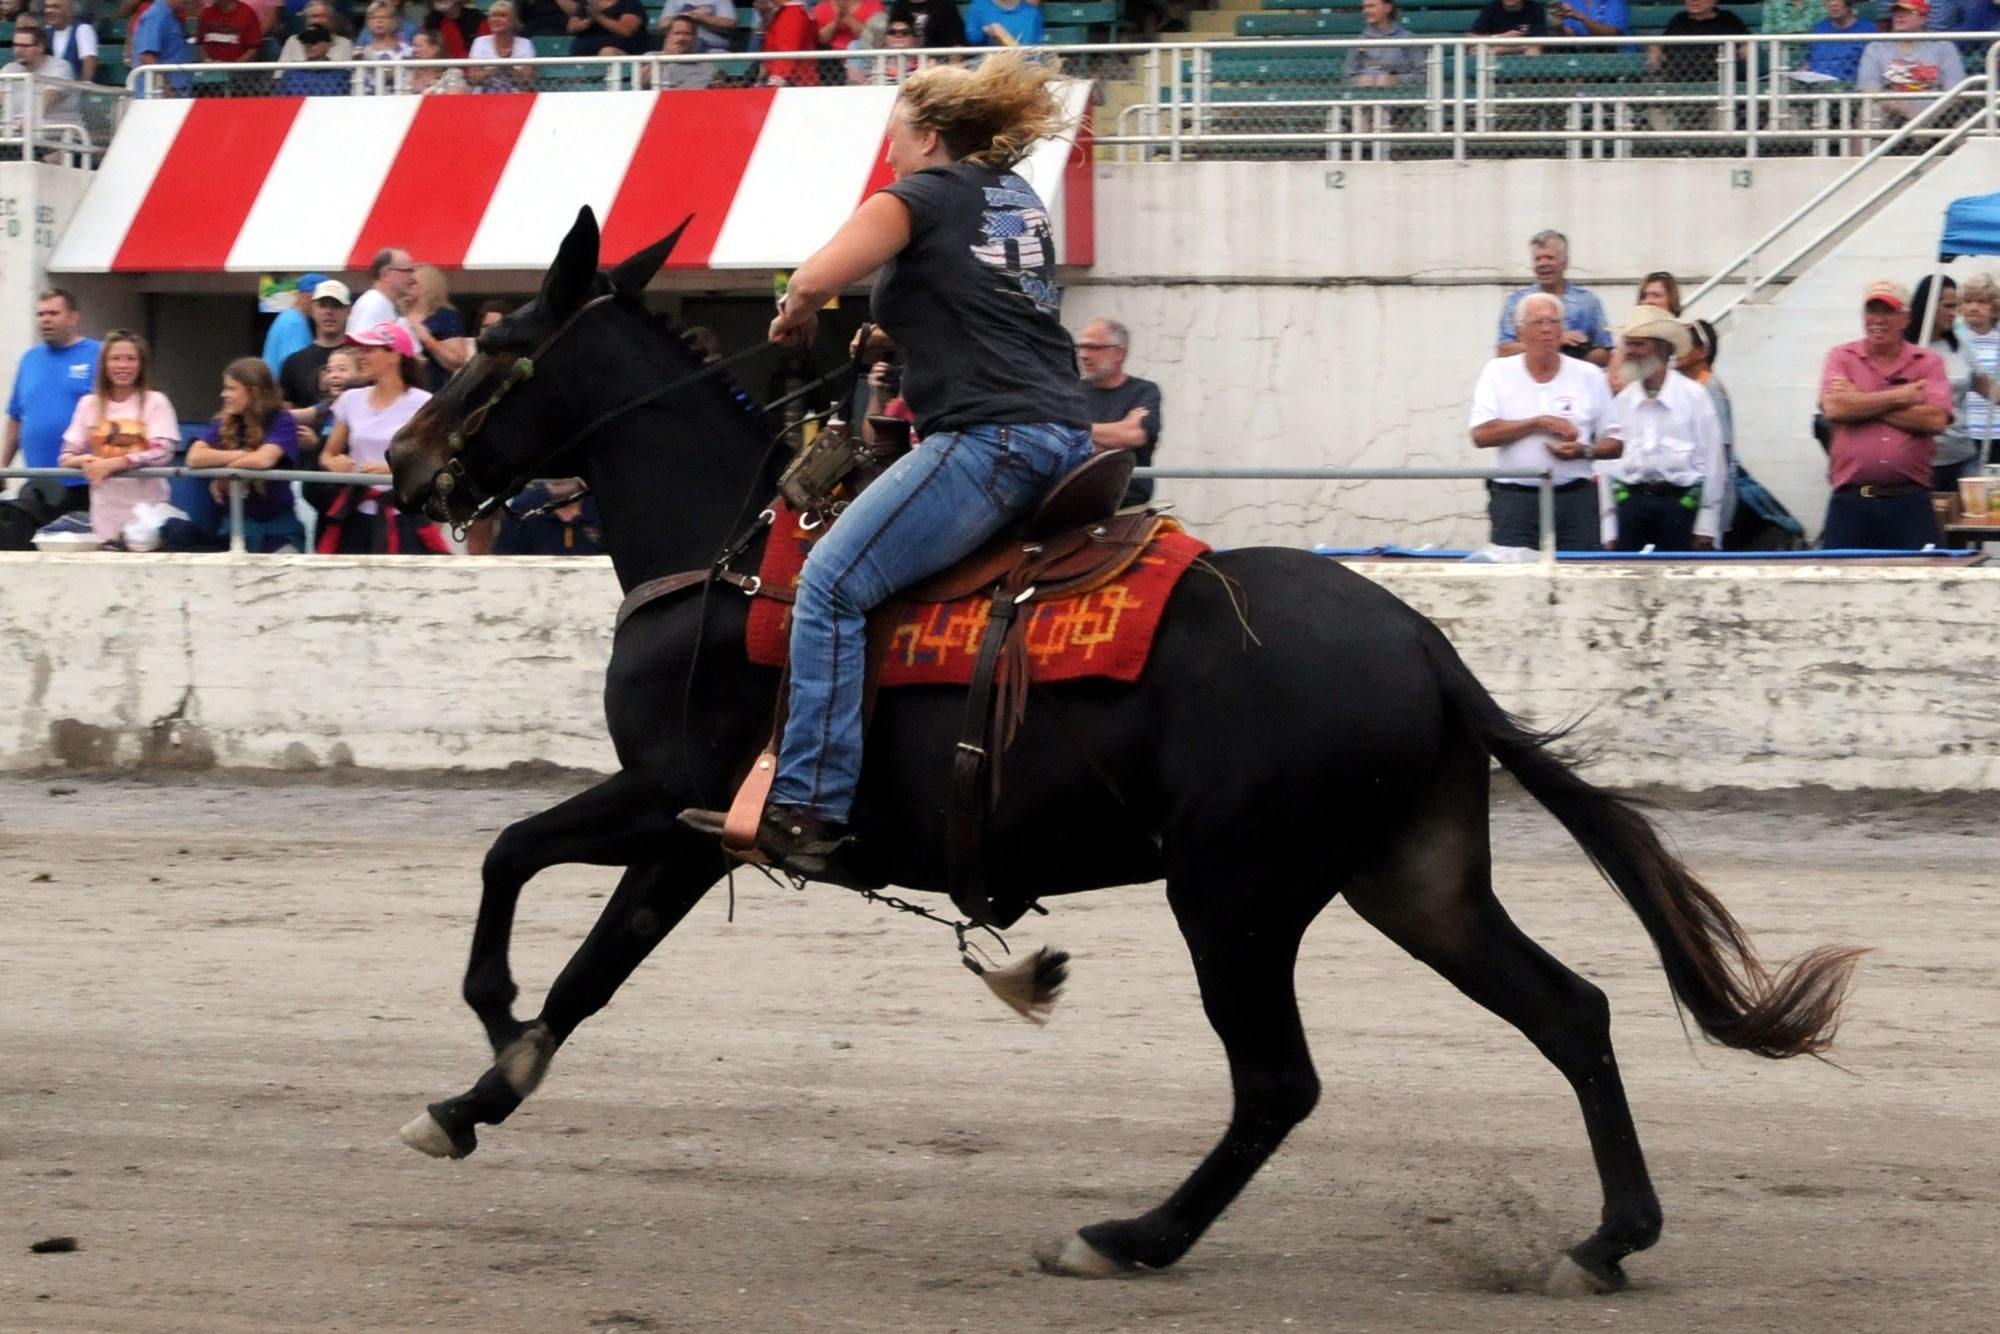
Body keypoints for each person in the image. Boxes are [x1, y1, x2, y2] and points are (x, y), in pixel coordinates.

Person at [678, 52, 1092, 879]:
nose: (889, 152)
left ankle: (809, 806)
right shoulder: (1013, 198)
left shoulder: (918, 195)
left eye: (896, 137)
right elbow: (986, 304)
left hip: (989, 440)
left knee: (832, 583)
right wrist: (894, 332)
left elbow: (816, 277)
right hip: (1062, 435)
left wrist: (795, 309)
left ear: (930, 137)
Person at [1470, 290, 1623, 551]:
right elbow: (1481, 435)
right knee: (1514, 572)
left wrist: (1584, 450)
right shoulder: (1498, 372)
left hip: (1574, 497)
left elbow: (1616, 442)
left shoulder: (1589, 375)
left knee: (1580, 572)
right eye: (1538, 322)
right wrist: (1538, 423)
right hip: (1515, 498)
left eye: (1554, 322)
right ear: (1520, 332)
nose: (1547, 330)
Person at [1817, 278, 1952, 548]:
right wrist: (1899, 397)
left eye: (1888, 311)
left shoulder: (1928, 362)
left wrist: (1860, 399)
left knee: (1920, 573)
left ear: (1905, 319)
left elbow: (1936, 420)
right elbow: (1834, 408)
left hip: (1910, 501)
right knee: (1838, 574)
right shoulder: (1841, 357)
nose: (1878, 319)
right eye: (1872, 311)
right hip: (1851, 502)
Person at [1601, 308, 1727, 551]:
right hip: (1631, 504)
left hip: (1680, 505)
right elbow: (1607, 467)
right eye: (1628, 344)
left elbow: (1713, 463)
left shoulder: (1694, 397)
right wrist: (1609, 527)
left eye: (1639, 344)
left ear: (1662, 349)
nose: (1629, 351)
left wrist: (1706, 525)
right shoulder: (1622, 401)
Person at [318, 323, 447, 554]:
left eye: (370, 350)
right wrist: (334, 463)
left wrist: (393, 470)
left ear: (394, 356)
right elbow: (328, 454)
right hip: (356, 513)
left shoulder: (424, 403)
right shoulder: (350, 399)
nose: (362, 356)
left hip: (404, 517)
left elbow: (438, 461)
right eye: (362, 350)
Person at [57, 332, 179, 547]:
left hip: (148, 515)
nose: (123, 365)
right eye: (115, 358)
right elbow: (66, 456)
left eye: (131, 359)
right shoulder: (88, 404)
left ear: (141, 365)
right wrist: (85, 460)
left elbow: (162, 452)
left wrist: (117, 463)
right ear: (104, 364)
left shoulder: (156, 402)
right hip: (104, 516)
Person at [1, 289, 100, 546]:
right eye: (41, 314)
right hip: (39, 486)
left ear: (73, 317)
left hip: (85, 482)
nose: (45, 319)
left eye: (54, 313)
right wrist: (3, 466)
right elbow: (16, 417)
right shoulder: (29, 359)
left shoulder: (97, 355)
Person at [186, 358, 308, 554]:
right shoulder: (224, 422)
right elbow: (194, 457)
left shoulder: (282, 420)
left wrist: (225, 475)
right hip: (235, 529)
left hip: (277, 531)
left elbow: (263, 459)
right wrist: (242, 455)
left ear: (254, 392)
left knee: (286, 565)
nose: (223, 394)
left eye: (231, 388)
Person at [1909, 274, 2000, 493]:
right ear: (1928, 306)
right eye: (1948, 306)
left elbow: (1989, 389)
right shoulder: (1908, 348)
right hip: (1921, 460)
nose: (1954, 313)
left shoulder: (1960, 346)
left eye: (1955, 306)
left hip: (1962, 457)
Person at [1076, 318, 1162, 508]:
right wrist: (1116, 434)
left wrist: (1076, 430)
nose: (1083, 355)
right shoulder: (1070, 391)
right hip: (1075, 506)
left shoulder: (1144, 391)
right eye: (1081, 347)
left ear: (1119, 353)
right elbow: (1060, 441)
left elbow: (1133, 436)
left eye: (1093, 348)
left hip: (1128, 508)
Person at [1496, 229, 1613, 367]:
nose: (1543, 264)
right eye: (1538, 259)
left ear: (1565, 263)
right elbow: (1503, 351)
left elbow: (1606, 354)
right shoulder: (1516, 302)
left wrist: (1577, 352)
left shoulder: (1587, 302)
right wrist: (1555, 341)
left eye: (1550, 258)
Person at [1857, 0, 1966, 126]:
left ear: (1923, 18)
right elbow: (1869, 90)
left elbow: (1955, 90)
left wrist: (1928, 117)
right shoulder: (1876, 47)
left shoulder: (1944, 47)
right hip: (1892, 113)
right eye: (1896, 12)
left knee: (1963, 121)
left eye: (1907, 12)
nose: (1899, 16)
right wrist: (1908, 110)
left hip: (1937, 114)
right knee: (1870, 112)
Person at [280, 279, 353, 431]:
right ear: (313, 309)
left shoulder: (361, 359)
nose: (329, 312)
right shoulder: (293, 362)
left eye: (336, 305)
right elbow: (284, 417)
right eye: (323, 305)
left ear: (348, 311)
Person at [1649, 0, 1750, 86]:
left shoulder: (1728, 19)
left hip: (1720, 81)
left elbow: (1747, 40)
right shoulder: (1679, 19)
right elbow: (1662, 42)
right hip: (1679, 79)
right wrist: (1655, 47)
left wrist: (1746, 45)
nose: (1694, 1)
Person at [1605, 269, 1682, 381]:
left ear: (1671, 300)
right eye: (1644, 296)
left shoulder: (1683, 336)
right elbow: (1615, 379)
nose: (1649, 301)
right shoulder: (1632, 334)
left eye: (1656, 295)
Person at [404, 264, 469, 389]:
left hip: (432, 388)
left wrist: (428, 340)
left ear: (428, 286)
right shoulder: (395, 312)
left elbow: (457, 360)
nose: (406, 287)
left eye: (412, 283)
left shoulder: (444, 316)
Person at [1959, 271, 2000, 469]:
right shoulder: (1955, 341)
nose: (1974, 307)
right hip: (1965, 432)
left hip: (1997, 431)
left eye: (1982, 302)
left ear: (1994, 308)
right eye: (1968, 301)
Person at [263, 272, 328, 374]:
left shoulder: (291, 318)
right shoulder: (294, 323)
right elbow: (296, 367)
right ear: (309, 297)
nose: (326, 308)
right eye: (323, 302)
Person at [1347, 0, 1423, 86]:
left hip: (1400, 91)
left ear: (1387, 8)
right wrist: (1362, 80)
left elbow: (1421, 75)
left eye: (1371, 6)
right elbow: (1348, 75)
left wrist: (1395, 80)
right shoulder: (1359, 41)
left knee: (1383, 80)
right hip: (1364, 89)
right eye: (1364, 7)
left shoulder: (1407, 38)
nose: (1366, 11)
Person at [468, 0, 539, 91]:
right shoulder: (479, 42)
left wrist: (508, 67)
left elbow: (528, 81)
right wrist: (498, 65)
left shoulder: (525, 44)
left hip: (517, 94)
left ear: (513, 21)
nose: (496, 19)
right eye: (493, 16)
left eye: (502, 16)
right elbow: (473, 78)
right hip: (485, 94)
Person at [349, 248, 417, 337]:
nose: (412, 278)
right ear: (384, 274)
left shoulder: (385, 304)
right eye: (407, 271)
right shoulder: (372, 304)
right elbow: (362, 342)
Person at [757, 0, 819, 85]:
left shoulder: (792, 13)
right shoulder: (791, 12)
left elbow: (787, 52)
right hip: (796, 79)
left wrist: (775, 82)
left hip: (794, 82)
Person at [43, 0, 101, 85]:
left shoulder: (83, 29)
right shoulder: (45, 32)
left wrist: (82, 86)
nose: (49, 11)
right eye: (47, 7)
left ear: (69, 11)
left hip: (73, 87)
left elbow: (89, 62)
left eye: (56, 7)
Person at [1805, 0, 1864, 82]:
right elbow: (1810, 61)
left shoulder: (1868, 29)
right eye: (1829, 0)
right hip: (1817, 85)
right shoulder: (1818, 28)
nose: (1833, 4)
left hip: (1850, 85)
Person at [563, 0, 648, 56]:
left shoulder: (629, 4)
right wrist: (588, 21)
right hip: (583, 52)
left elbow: (626, 31)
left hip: (620, 50)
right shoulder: (587, 5)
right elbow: (571, 27)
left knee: (607, 52)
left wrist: (600, 18)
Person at [280, 1, 355, 60]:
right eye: (314, 16)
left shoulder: (344, 44)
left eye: (323, 16)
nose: (317, 21)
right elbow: (280, 73)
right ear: (306, 20)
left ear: (331, 20)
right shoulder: (293, 42)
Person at [1469, 0, 1549, 55]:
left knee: (1533, 52)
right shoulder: (1491, 8)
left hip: (1521, 51)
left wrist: (1502, 49)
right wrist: (1500, 37)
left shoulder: (1535, 8)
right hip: (1495, 51)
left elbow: (1539, 42)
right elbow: (1471, 37)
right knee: (1476, 52)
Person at [197, 0, 266, 62]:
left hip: (238, 69)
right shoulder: (206, 14)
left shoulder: (247, 14)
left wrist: (235, 66)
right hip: (210, 68)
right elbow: (201, 43)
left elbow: (253, 48)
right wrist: (206, 63)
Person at [657, 13, 715, 84]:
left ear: (694, 38)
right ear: (668, 36)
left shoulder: (705, 66)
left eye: (687, 34)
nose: (682, 38)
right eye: (677, 33)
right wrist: (666, 57)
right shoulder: (652, 57)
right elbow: (645, 81)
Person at [663, 0, 738, 53]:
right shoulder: (674, 1)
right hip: (681, 48)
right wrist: (689, 15)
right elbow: (663, 24)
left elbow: (730, 23)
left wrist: (702, 18)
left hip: (712, 49)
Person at [408, 26, 470, 90]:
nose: (414, 50)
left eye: (418, 46)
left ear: (435, 49)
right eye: (414, 46)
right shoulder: (407, 73)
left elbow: (454, 94)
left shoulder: (452, 74)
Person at [888, 0, 965, 48]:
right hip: (903, 62)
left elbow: (956, 44)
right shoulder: (899, 5)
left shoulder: (945, 6)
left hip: (937, 64)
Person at [814, 0, 883, 51]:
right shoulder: (822, 8)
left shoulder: (874, 6)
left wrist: (848, 17)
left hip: (863, 57)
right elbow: (821, 40)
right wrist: (836, 22)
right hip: (831, 59)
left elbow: (873, 39)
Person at [965, 0, 1042, 45]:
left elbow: (1031, 53)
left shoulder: (1032, 13)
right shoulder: (978, 7)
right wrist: (986, 32)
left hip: (1021, 66)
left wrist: (1003, 36)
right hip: (987, 65)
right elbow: (972, 41)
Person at [1548, 0, 1626, 36]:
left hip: (1614, 55)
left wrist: (1582, 18)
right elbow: (1570, 35)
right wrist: (1559, 25)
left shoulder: (1614, 1)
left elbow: (1613, 33)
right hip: (1581, 55)